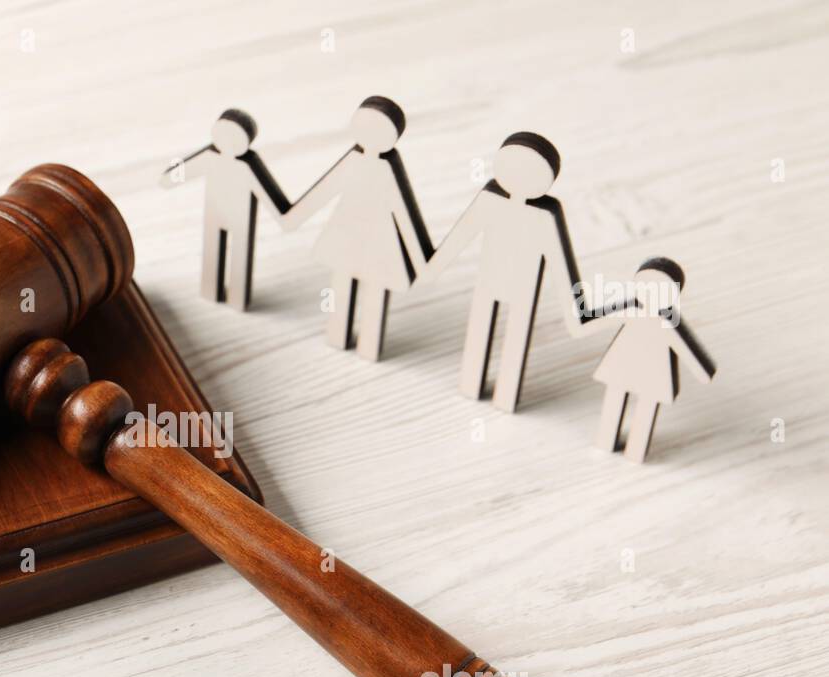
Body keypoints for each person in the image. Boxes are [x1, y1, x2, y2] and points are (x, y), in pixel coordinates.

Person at [421, 132, 584, 411]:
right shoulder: (491, 200)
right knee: (481, 328)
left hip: (523, 287)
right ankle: (473, 385)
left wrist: (576, 310)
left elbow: (560, 260)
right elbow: (462, 234)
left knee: (516, 336)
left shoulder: (545, 215)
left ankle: (505, 395)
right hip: (491, 279)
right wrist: (429, 269)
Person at [281, 96, 433, 361]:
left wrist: (422, 259)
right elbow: (325, 189)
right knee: (344, 283)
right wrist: (292, 216)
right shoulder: (355, 160)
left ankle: (368, 344)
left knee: (374, 288)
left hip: (378, 242)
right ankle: (340, 335)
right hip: (348, 235)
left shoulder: (387, 167)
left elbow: (403, 211)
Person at [577, 257, 716, 462]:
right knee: (617, 396)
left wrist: (704, 373)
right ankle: (608, 440)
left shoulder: (666, 321)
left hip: (650, 370)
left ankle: (635, 449)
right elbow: (594, 320)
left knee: (645, 405)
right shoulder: (635, 310)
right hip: (625, 363)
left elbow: (687, 350)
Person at [159, 109, 291, 311]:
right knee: (213, 249)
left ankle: (237, 298)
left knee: (239, 253)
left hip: (240, 219)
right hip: (216, 212)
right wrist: (167, 180)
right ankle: (212, 290)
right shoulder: (211, 157)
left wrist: (286, 216)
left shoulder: (247, 166)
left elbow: (272, 198)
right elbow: (177, 174)